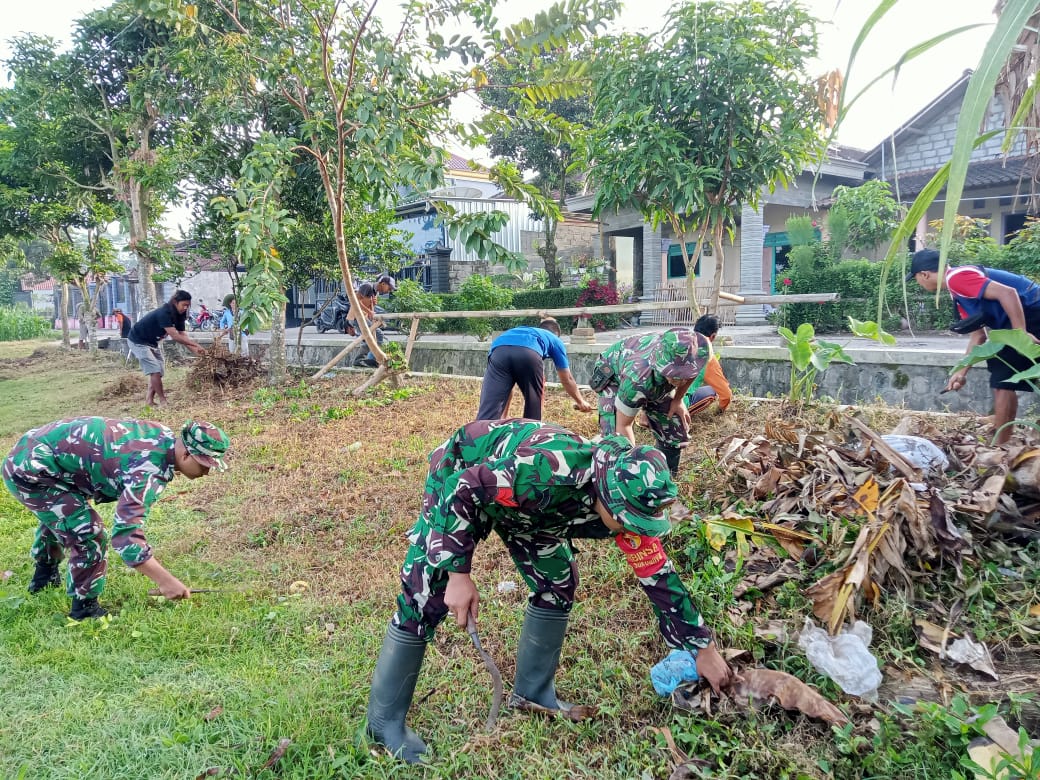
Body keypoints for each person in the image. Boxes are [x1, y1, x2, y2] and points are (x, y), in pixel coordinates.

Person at [365, 419, 731, 764]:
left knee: (557, 583)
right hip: (463, 479)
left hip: (531, 511)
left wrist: (702, 647)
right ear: (604, 492)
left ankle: (532, 693)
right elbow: (463, 488)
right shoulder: (547, 471)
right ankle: (383, 725)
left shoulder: (622, 502)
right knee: (424, 596)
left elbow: (660, 577)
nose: (629, 529)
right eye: (625, 519)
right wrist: (459, 574)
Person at [2, 417, 230, 620]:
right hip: (30, 470)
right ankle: (84, 609)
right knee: (88, 533)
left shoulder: (162, 436)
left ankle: (43, 577)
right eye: (205, 465)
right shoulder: (148, 471)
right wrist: (165, 580)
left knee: (64, 515)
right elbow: (126, 537)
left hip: (45, 456)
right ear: (186, 454)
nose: (206, 473)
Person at [907, 248, 1040, 445]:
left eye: (916, 278)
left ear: (924, 274)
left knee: (1002, 383)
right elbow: (978, 336)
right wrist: (962, 371)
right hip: (1013, 322)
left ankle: (999, 448)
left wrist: (1020, 333)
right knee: (1003, 381)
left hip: (1031, 311)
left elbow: (1009, 293)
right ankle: (1002, 443)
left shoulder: (957, 278)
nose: (919, 283)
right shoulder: (957, 292)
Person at [590, 328, 712, 475]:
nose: (680, 380)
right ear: (662, 365)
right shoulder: (636, 381)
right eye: (674, 375)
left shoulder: (700, 350)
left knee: (672, 425)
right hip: (613, 369)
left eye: (684, 373)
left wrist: (678, 400)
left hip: (646, 370)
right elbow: (624, 425)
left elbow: (693, 371)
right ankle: (621, 479)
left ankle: (665, 476)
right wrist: (632, 464)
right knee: (616, 441)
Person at [475, 317, 593, 420]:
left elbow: (505, 387)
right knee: (534, 405)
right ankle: (530, 434)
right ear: (556, 333)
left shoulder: (523, 331)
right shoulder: (555, 339)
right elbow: (567, 378)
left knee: (488, 411)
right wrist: (580, 401)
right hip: (528, 353)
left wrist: (503, 418)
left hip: (498, 351)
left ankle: (482, 435)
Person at [127, 290, 206, 406]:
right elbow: (175, 336)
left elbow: (183, 336)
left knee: (159, 370)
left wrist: (202, 354)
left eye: (188, 305)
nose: (186, 308)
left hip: (153, 342)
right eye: (184, 305)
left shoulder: (180, 315)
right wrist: (196, 345)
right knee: (155, 370)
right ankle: (163, 401)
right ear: (175, 302)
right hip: (138, 341)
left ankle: (149, 401)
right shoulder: (164, 313)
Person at [684, 315, 733, 416]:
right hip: (676, 404)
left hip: (653, 401)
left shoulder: (679, 342)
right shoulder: (707, 356)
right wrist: (719, 412)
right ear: (713, 336)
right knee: (713, 391)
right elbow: (726, 395)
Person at [348, 282, 385, 368]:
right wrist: (370, 312)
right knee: (377, 335)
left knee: (370, 337)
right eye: (389, 288)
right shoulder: (367, 287)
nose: (388, 290)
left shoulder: (374, 292)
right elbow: (356, 301)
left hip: (364, 317)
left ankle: (369, 360)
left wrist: (372, 310)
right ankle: (371, 359)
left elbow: (371, 308)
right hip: (357, 317)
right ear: (383, 284)